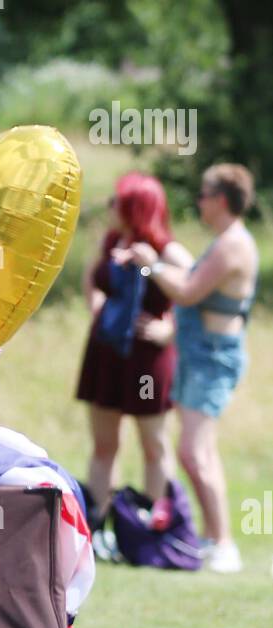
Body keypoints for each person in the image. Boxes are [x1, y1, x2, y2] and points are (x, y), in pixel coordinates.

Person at [116, 164, 258, 574]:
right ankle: (216, 539)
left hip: (212, 358)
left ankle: (224, 544)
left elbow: (190, 292)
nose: (199, 201)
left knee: (192, 452)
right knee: (202, 452)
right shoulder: (225, 241)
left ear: (221, 199)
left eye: (204, 194)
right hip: (201, 356)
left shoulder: (232, 244)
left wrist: (150, 264)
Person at [76, 173, 192, 558]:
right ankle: (96, 528)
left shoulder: (168, 250)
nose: (111, 208)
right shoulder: (111, 242)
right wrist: (95, 302)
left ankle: (152, 529)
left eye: (119, 202)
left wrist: (169, 328)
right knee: (104, 444)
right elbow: (92, 277)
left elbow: (198, 295)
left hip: (147, 359)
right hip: (106, 353)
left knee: (154, 445)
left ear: (137, 208)